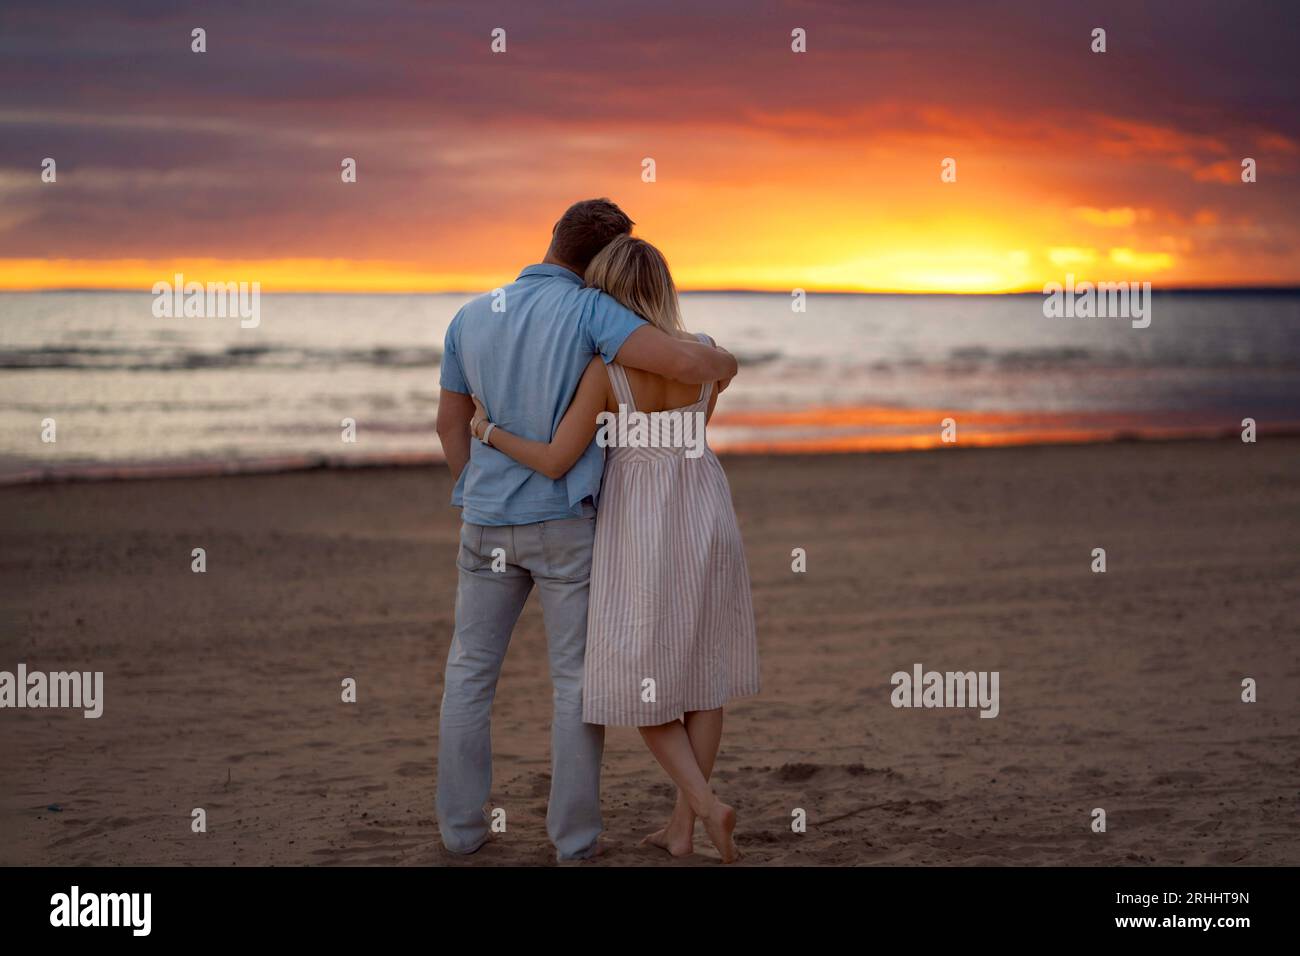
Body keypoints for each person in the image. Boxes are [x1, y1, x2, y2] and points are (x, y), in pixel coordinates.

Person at [434, 199, 738, 862]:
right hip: (563, 524)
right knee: (574, 681)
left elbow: (448, 424)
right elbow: (686, 366)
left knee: (469, 673)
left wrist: (475, 490)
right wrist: (724, 362)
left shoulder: (470, 314)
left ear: (553, 238)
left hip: (486, 522)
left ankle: (460, 833)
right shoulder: (592, 311)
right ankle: (573, 841)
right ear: (601, 258)